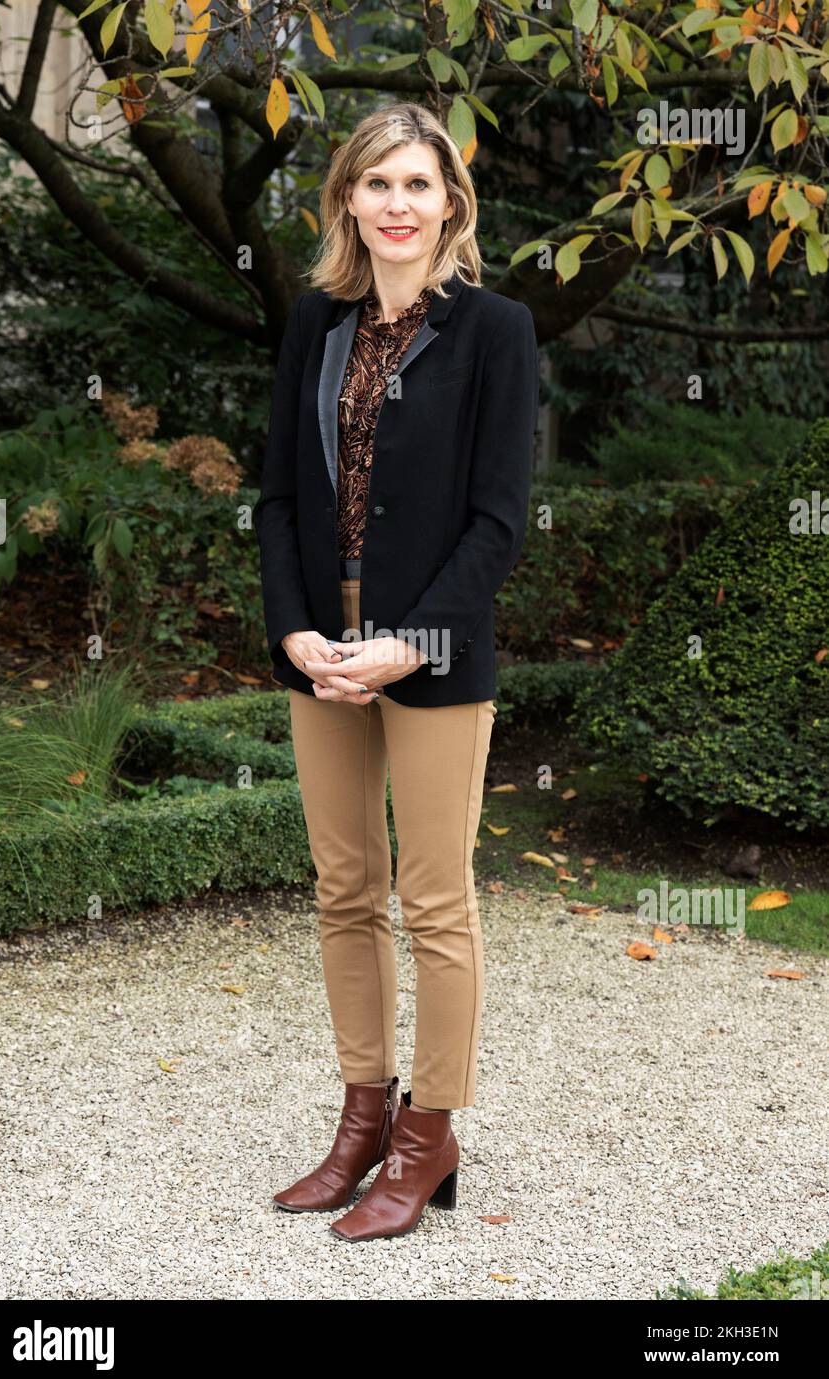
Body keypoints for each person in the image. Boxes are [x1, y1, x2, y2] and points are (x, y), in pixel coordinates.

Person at [252, 101, 539, 1242]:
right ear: (347, 202)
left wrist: (406, 641)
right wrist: (292, 633)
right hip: (322, 652)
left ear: (450, 204)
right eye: (376, 185)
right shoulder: (313, 323)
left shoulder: (495, 330)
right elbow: (277, 496)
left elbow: (497, 522)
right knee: (340, 891)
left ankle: (430, 1135)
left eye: (418, 185)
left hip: (434, 650)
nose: (397, 206)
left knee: (434, 902)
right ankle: (360, 1117)